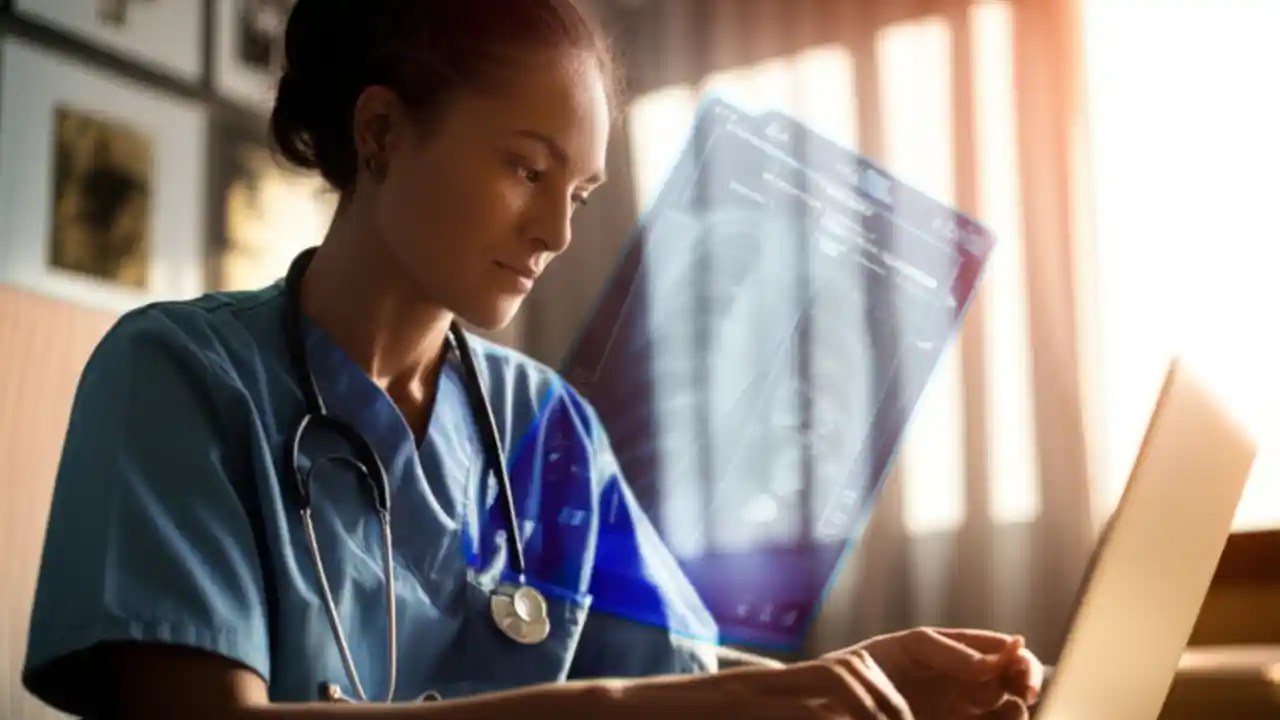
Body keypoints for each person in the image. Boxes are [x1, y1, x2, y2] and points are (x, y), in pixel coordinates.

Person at [21, 1, 1044, 718]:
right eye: (526, 167)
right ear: (380, 132)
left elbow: (678, 676)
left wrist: (869, 682)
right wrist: (750, 696)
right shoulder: (179, 376)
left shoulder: (539, 423)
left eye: (582, 193)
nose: (556, 230)